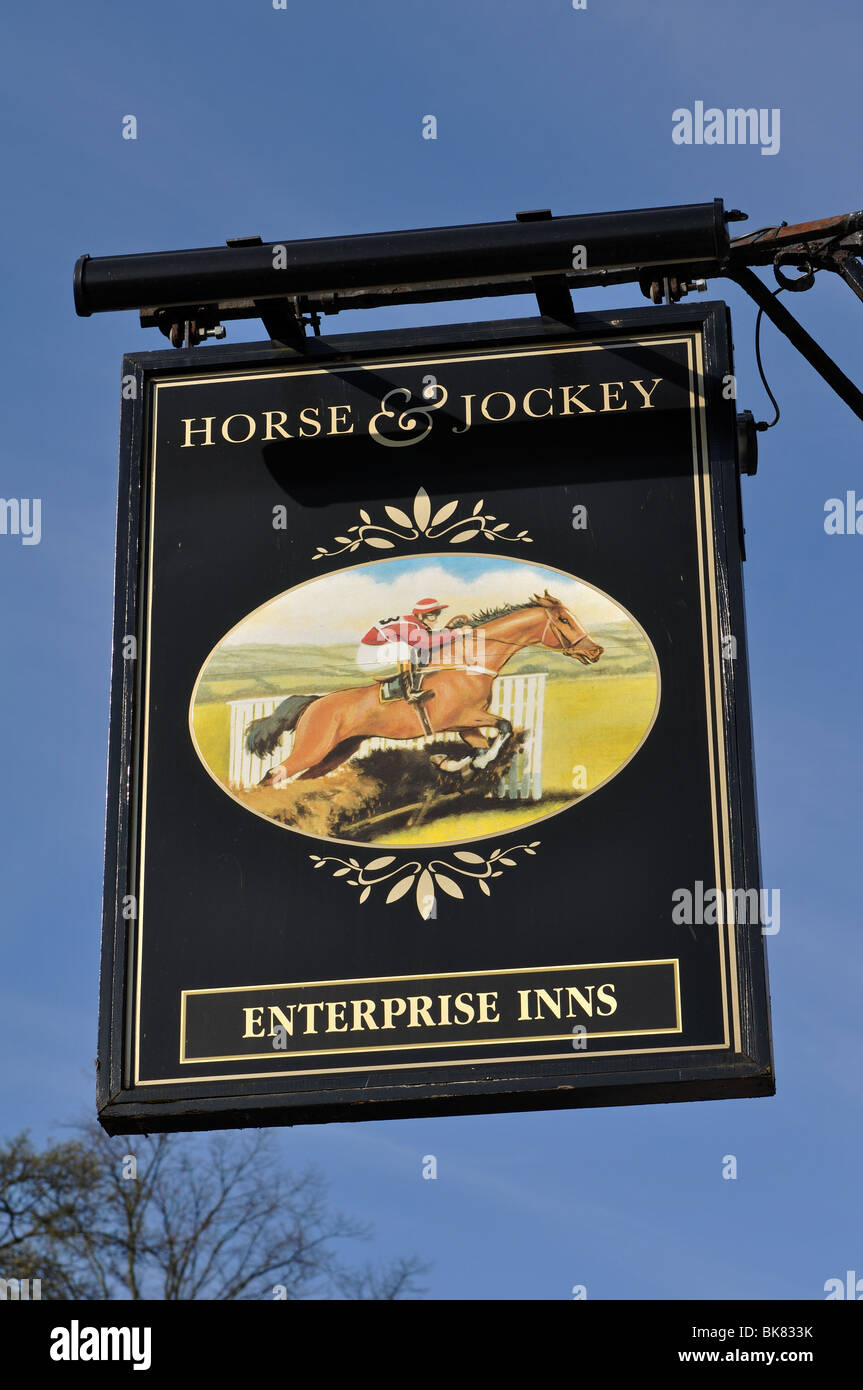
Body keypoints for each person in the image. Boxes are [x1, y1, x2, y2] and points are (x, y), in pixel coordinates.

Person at [356, 598, 466, 703]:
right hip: (369, 657)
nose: (436, 621)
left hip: (375, 651)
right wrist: (456, 633)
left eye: (437, 616)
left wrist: (447, 632)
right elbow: (425, 643)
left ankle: (416, 680)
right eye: (432, 617)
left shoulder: (413, 622)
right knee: (407, 648)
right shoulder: (409, 625)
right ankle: (409, 693)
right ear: (419, 616)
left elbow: (426, 636)